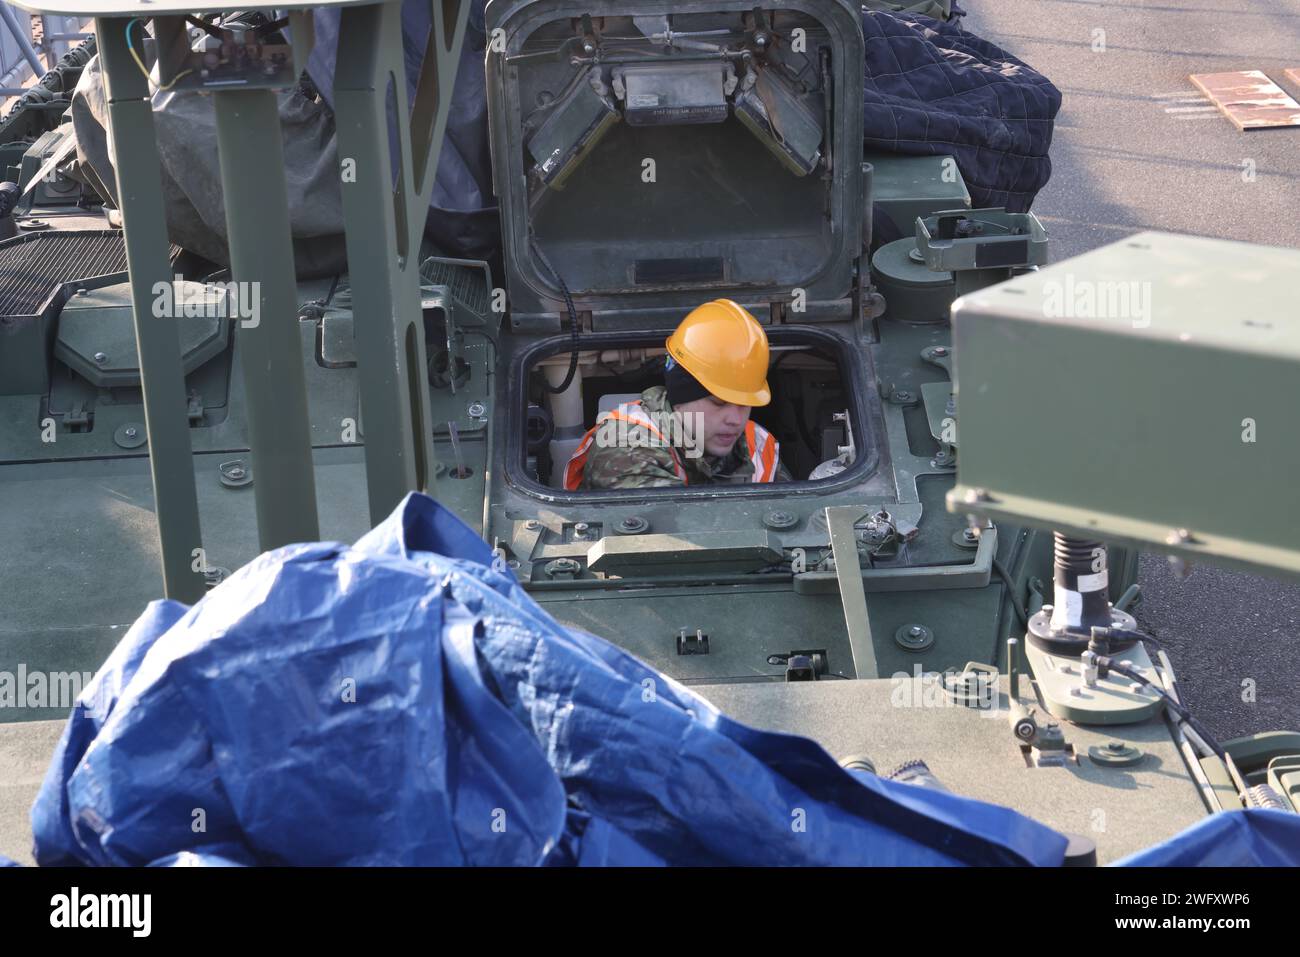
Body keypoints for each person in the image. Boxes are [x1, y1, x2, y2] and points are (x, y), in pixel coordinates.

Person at [565, 300, 791, 489]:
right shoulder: (626, 445)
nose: (735, 419)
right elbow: (679, 536)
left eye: (744, 403)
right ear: (681, 397)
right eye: (719, 402)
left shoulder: (758, 445)